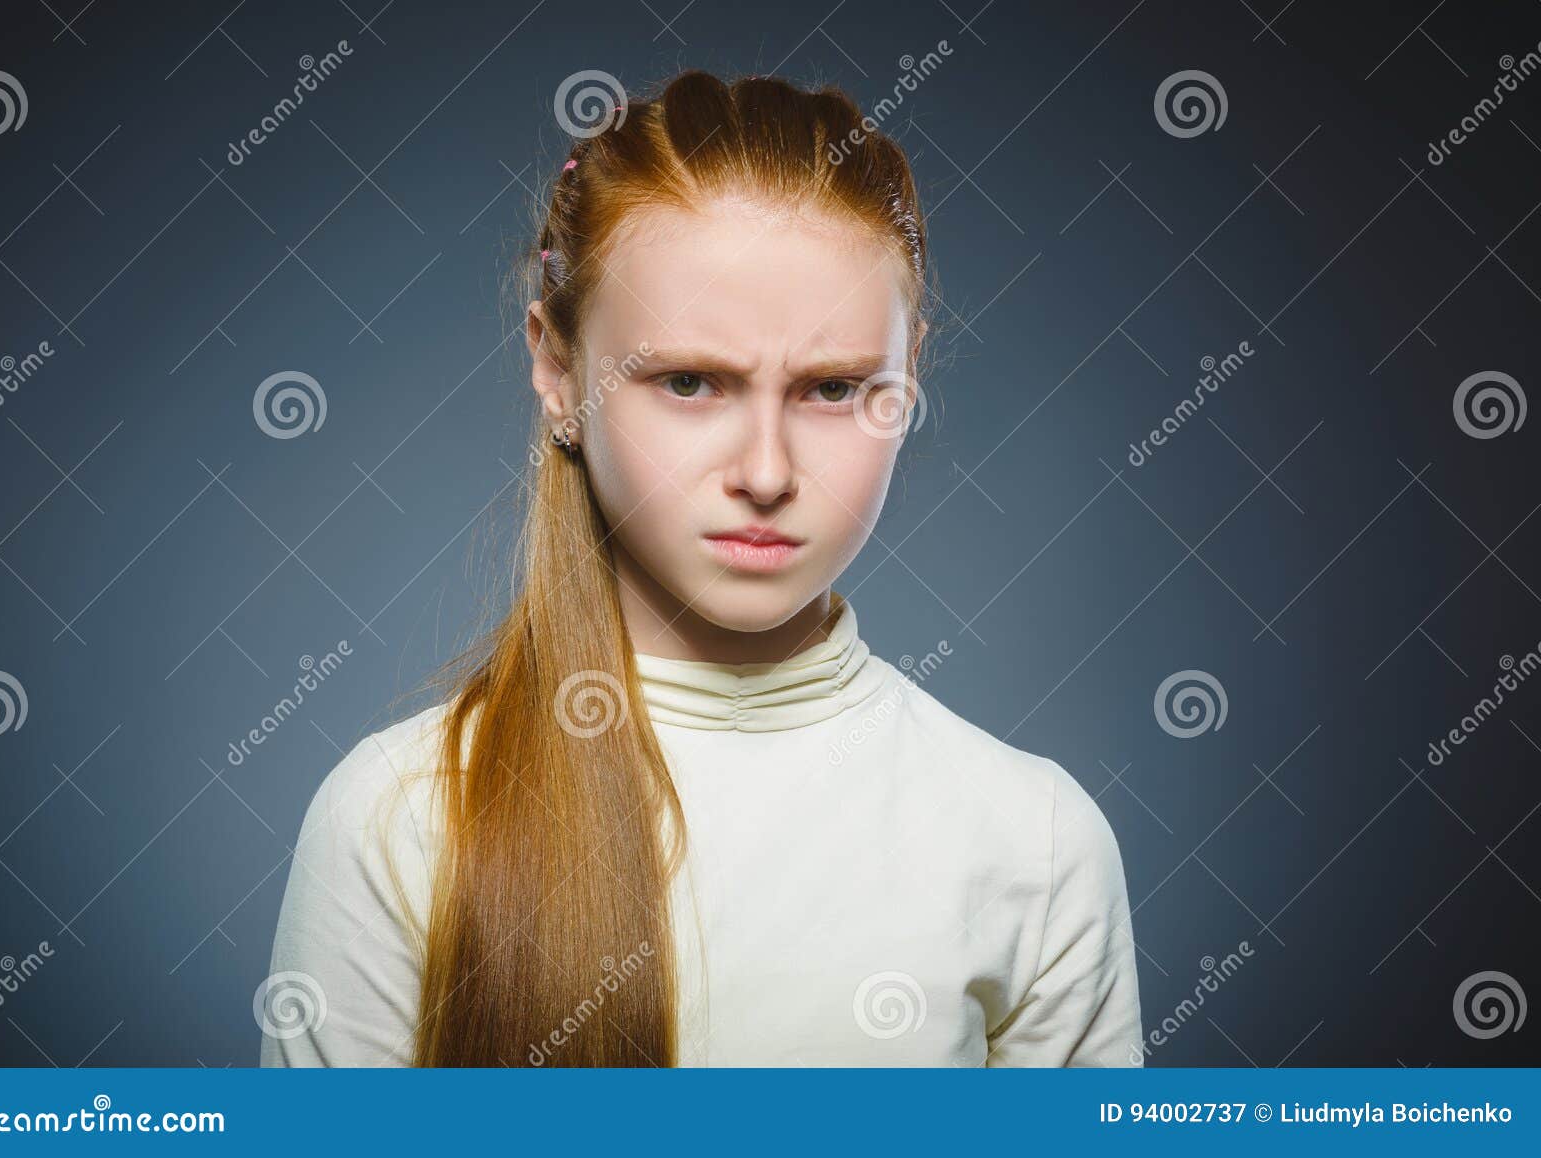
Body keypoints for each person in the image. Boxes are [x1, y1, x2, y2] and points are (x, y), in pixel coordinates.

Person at [260, 68, 1143, 1068]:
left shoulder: (1037, 846)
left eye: (835, 387)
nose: (765, 472)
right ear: (557, 373)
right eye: (688, 381)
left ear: (908, 381)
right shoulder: (396, 823)